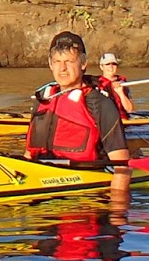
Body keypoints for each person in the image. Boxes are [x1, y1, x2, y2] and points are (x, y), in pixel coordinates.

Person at [25, 30, 132, 193]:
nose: (62, 68)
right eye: (57, 61)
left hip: (85, 193)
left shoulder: (100, 104)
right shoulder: (42, 100)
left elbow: (122, 165)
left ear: (83, 64)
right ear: (50, 64)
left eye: (69, 61)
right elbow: (28, 154)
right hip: (39, 179)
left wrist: (117, 212)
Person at [94, 51, 136, 117]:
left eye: (113, 64)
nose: (111, 66)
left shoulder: (123, 83)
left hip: (122, 119)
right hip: (105, 120)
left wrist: (121, 93)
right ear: (101, 67)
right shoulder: (95, 83)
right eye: (107, 64)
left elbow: (130, 110)